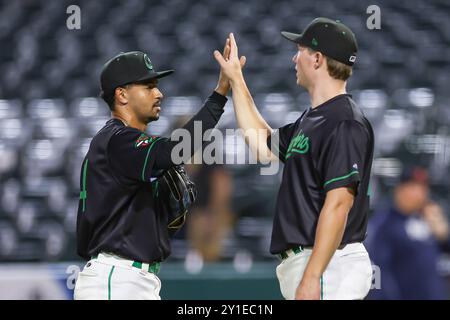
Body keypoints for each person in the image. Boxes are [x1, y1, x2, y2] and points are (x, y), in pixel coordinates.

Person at [214, 17, 374, 299]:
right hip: (317, 263)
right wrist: (236, 80)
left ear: (317, 59)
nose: (293, 58)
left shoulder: (344, 121)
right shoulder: (313, 118)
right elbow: (262, 144)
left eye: (299, 50)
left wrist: (312, 277)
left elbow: (338, 205)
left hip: (329, 265)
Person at [74, 45, 244, 300]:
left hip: (133, 278)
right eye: (148, 86)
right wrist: (220, 94)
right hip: (117, 278)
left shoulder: (124, 147)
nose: (159, 93)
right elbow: (174, 150)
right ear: (121, 95)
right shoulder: (117, 140)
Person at [366, 166, 450, 300]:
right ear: (399, 190)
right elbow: (378, 272)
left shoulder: (428, 220)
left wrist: (444, 236)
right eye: (413, 187)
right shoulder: (385, 224)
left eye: (423, 187)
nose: (419, 193)